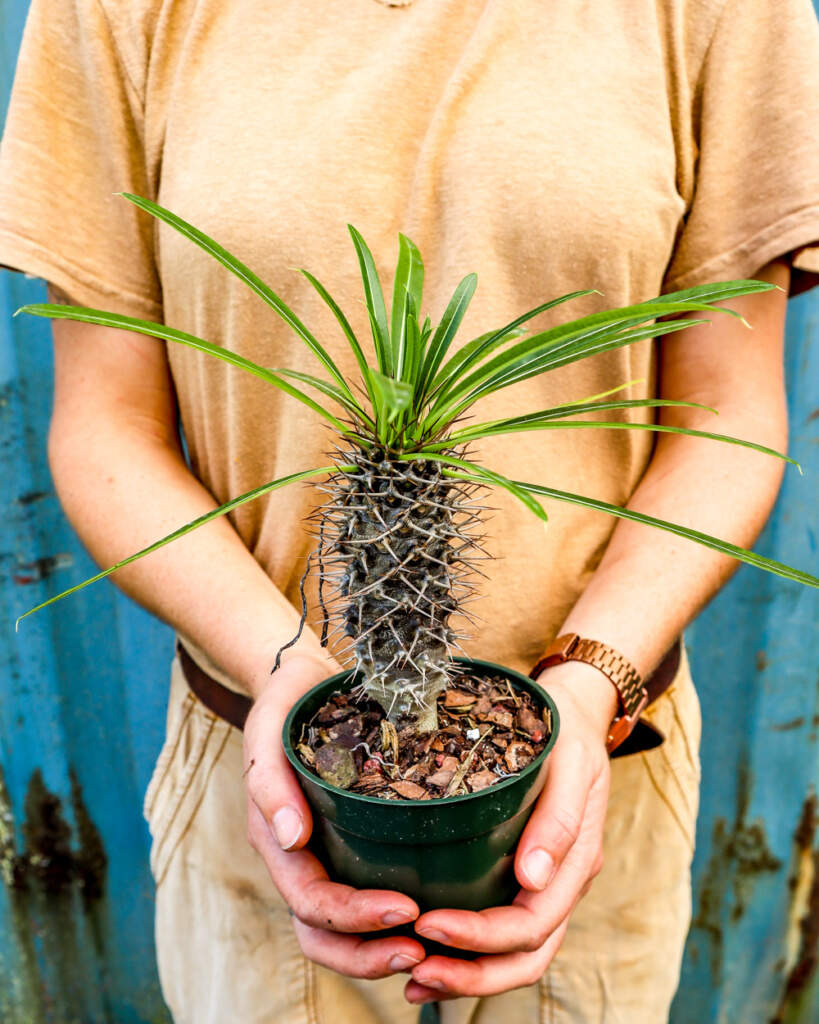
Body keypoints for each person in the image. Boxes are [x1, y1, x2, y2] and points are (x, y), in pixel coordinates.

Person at [1, 0, 818, 1021]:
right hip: (265, 767)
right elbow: (105, 425)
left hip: (597, 749)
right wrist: (285, 671)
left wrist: (586, 685)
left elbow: (728, 413)